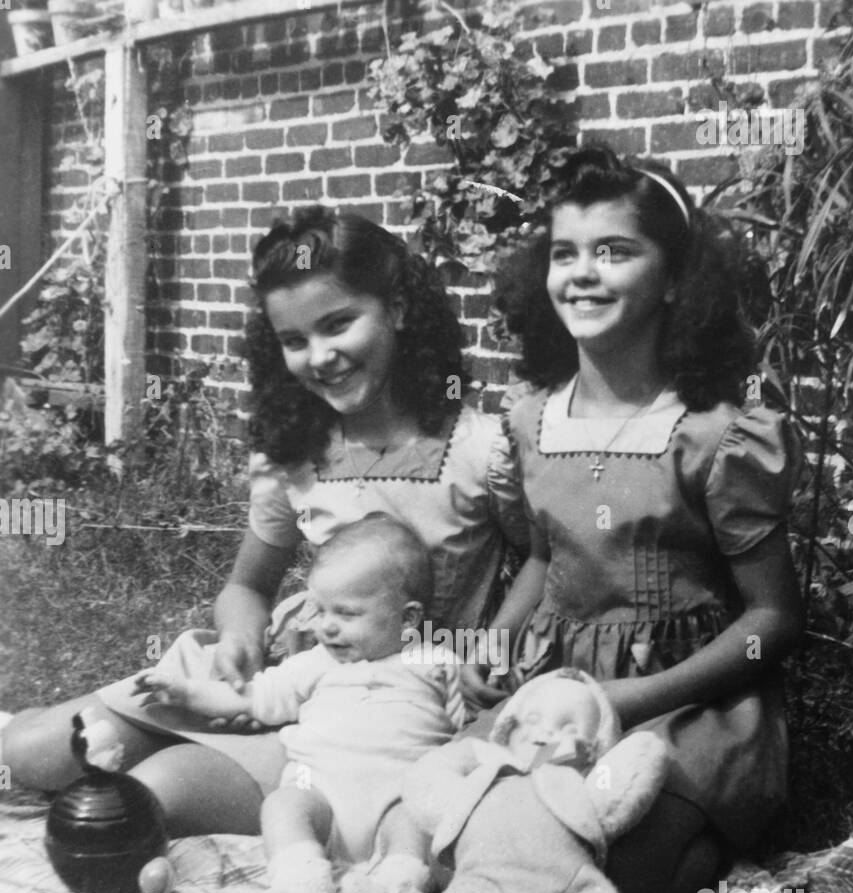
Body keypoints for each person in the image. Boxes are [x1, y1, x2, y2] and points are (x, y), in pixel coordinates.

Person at [3, 208, 527, 830]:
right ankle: (175, 733)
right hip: (276, 673)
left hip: (375, 709)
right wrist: (240, 640)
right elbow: (247, 586)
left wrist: (488, 647)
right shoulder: (294, 455)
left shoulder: (479, 450)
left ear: (399, 311)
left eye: (339, 325)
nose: (321, 356)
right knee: (28, 753)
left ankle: (195, 758)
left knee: (154, 793)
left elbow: (540, 561)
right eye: (295, 340)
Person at [482, 146, 805, 893]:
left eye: (614, 251)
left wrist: (634, 699)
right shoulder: (531, 421)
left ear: (673, 280)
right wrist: (492, 644)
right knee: (481, 830)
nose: (582, 273)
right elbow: (540, 557)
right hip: (558, 690)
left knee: (615, 867)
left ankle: (700, 847)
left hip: (688, 700)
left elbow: (773, 620)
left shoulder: (714, 435)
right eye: (564, 254)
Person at [139, 516, 464, 893]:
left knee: (416, 819)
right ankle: (302, 882)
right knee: (282, 806)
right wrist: (185, 691)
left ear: (409, 618)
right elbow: (249, 696)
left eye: (346, 613)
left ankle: (395, 887)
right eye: (321, 610)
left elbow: (462, 734)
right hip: (322, 797)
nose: (326, 626)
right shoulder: (313, 664)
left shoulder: (438, 663)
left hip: (398, 797)